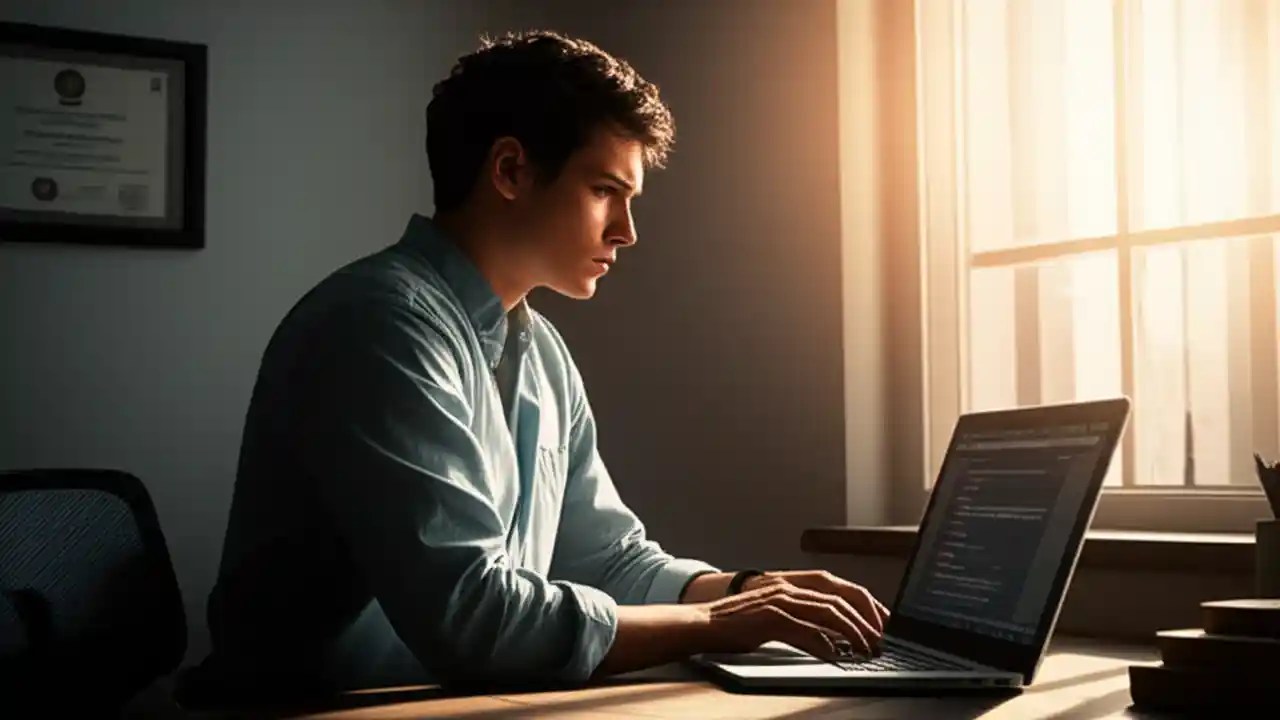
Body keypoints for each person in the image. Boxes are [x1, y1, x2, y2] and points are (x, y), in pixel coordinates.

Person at [197, 29, 889, 694]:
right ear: (510, 171)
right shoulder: (379, 326)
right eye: (604, 192)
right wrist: (715, 623)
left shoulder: (542, 351)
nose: (627, 232)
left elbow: (608, 559)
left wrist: (749, 592)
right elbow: (473, 617)